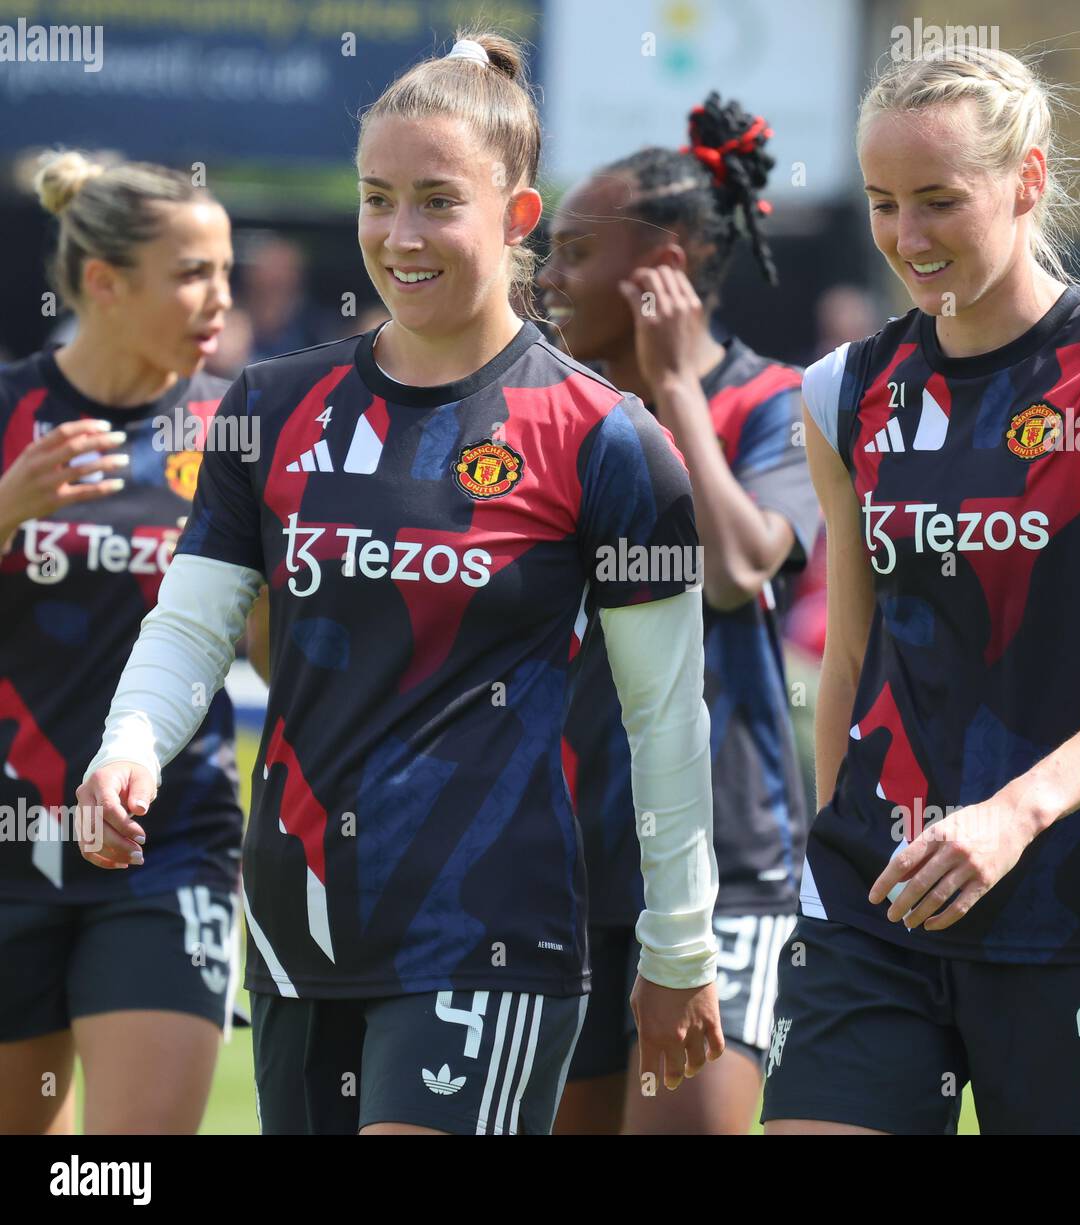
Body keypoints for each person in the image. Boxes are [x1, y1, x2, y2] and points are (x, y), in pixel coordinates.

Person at [76, 30, 722, 1136]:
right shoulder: (269, 408)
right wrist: (127, 745)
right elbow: (191, 626)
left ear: (519, 217)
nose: (400, 234)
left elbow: (665, 717)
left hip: (491, 928)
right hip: (295, 923)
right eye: (379, 199)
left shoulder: (611, 440)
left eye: (436, 200)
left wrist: (679, 945)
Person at [762, 44, 1080, 1136]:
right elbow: (853, 656)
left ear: (1026, 181)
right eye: (881, 204)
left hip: (1076, 914)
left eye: (937, 201)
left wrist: (1014, 814)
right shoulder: (844, 390)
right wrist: (843, 847)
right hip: (876, 910)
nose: (907, 238)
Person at [541, 93, 820, 1135]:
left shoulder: (777, 401)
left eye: (574, 250)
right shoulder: (541, 416)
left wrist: (675, 393)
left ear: (664, 261)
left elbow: (739, 570)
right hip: (555, 861)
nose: (551, 276)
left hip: (718, 864)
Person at [0, 150, 253, 1134]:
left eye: (226, 272)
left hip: (167, 844)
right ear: (103, 283)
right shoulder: (11, 412)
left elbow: (274, 647)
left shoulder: (236, 427)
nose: (218, 301)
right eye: (192, 273)